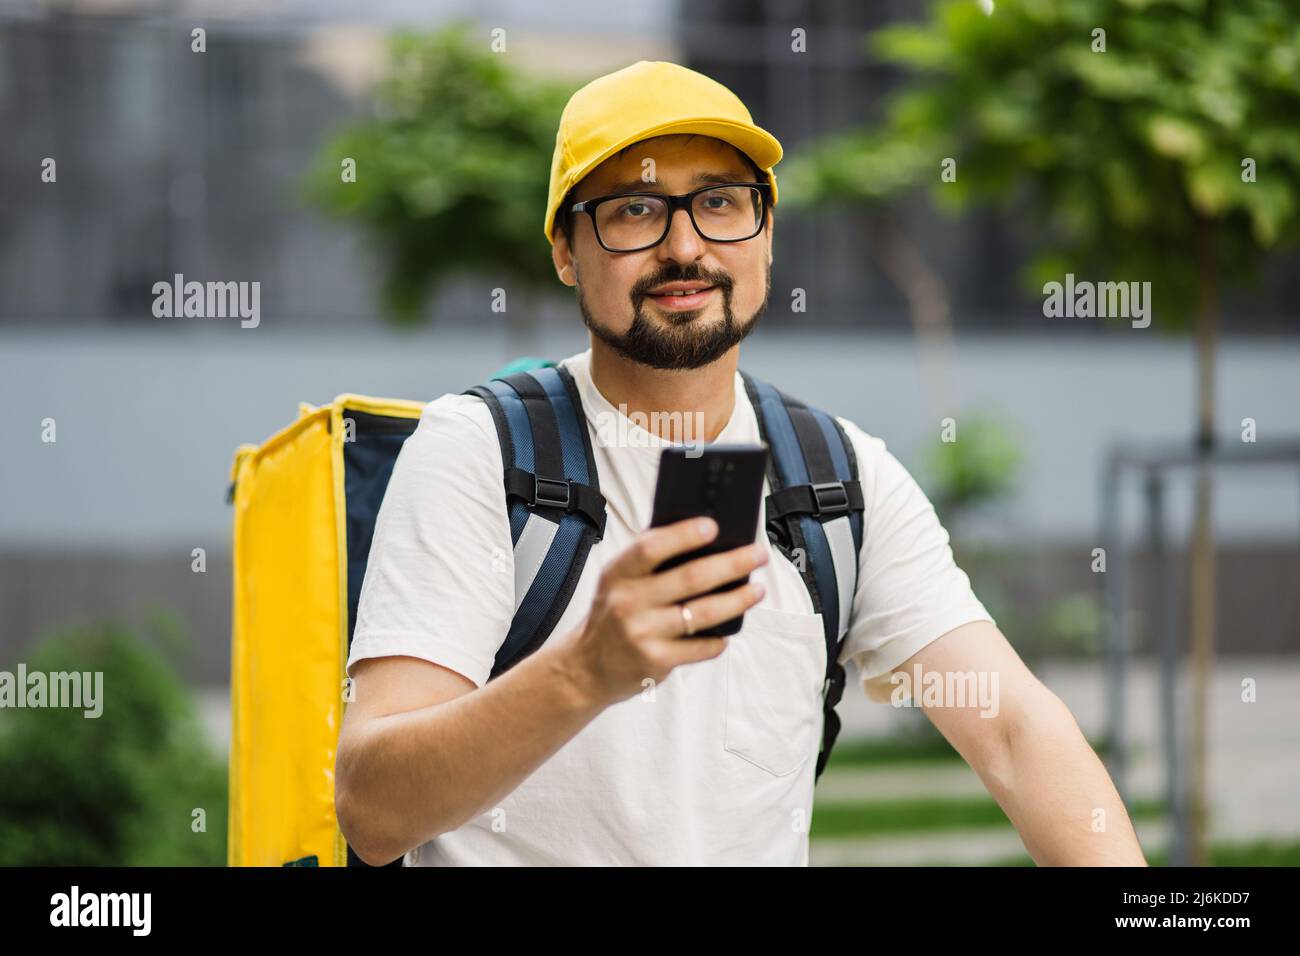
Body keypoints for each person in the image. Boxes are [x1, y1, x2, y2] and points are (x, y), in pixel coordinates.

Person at [334, 61, 1147, 867]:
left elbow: (1014, 733)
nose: (685, 246)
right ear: (565, 250)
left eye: (721, 202)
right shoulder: (477, 452)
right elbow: (372, 812)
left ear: (766, 236)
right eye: (634, 210)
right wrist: (585, 671)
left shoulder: (839, 479)